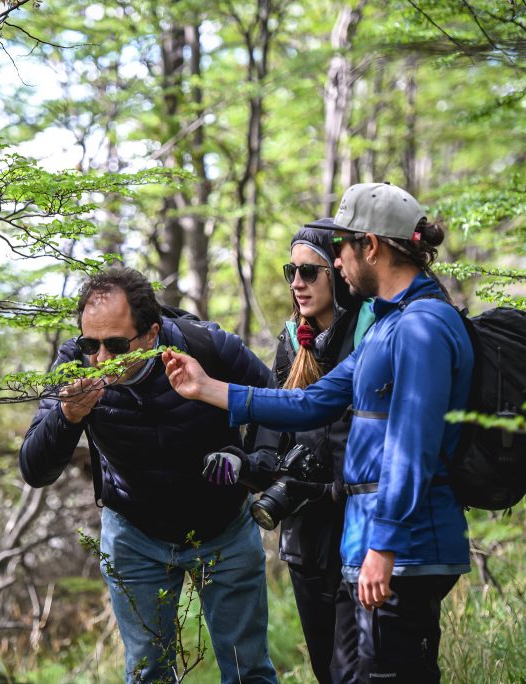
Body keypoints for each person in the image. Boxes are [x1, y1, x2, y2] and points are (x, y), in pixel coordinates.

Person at [164, 182, 473, 682]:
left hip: (401, 552)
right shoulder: (389, 328)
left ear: (369, 246)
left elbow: (413, 446)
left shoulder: (422, 327)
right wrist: (209, 389)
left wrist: (385, 546)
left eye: (340, 250)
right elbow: (312, 400)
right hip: (369, 548)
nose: (339, 265)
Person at [19, 267, 278, 683]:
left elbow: (276, 403)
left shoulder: (208, 346)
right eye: (91, 343)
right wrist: (67, 417)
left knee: (248, 669)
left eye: (117, 345)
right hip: (134, 533)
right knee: (148, 674)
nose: (101, 358)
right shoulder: (74, 366)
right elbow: (34, 469)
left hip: (224, 528)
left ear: (152, 333)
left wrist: (252, 464)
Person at [200, 225, 372, 682]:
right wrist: (242, 465)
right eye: (291, 271)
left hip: (359, 534)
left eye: (309, 272)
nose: (297, 282)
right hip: (303, 540)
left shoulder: (370, 337)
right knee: (326, 668)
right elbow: (271, 443)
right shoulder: (292, 343)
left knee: (361, 670)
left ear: (337, 274)